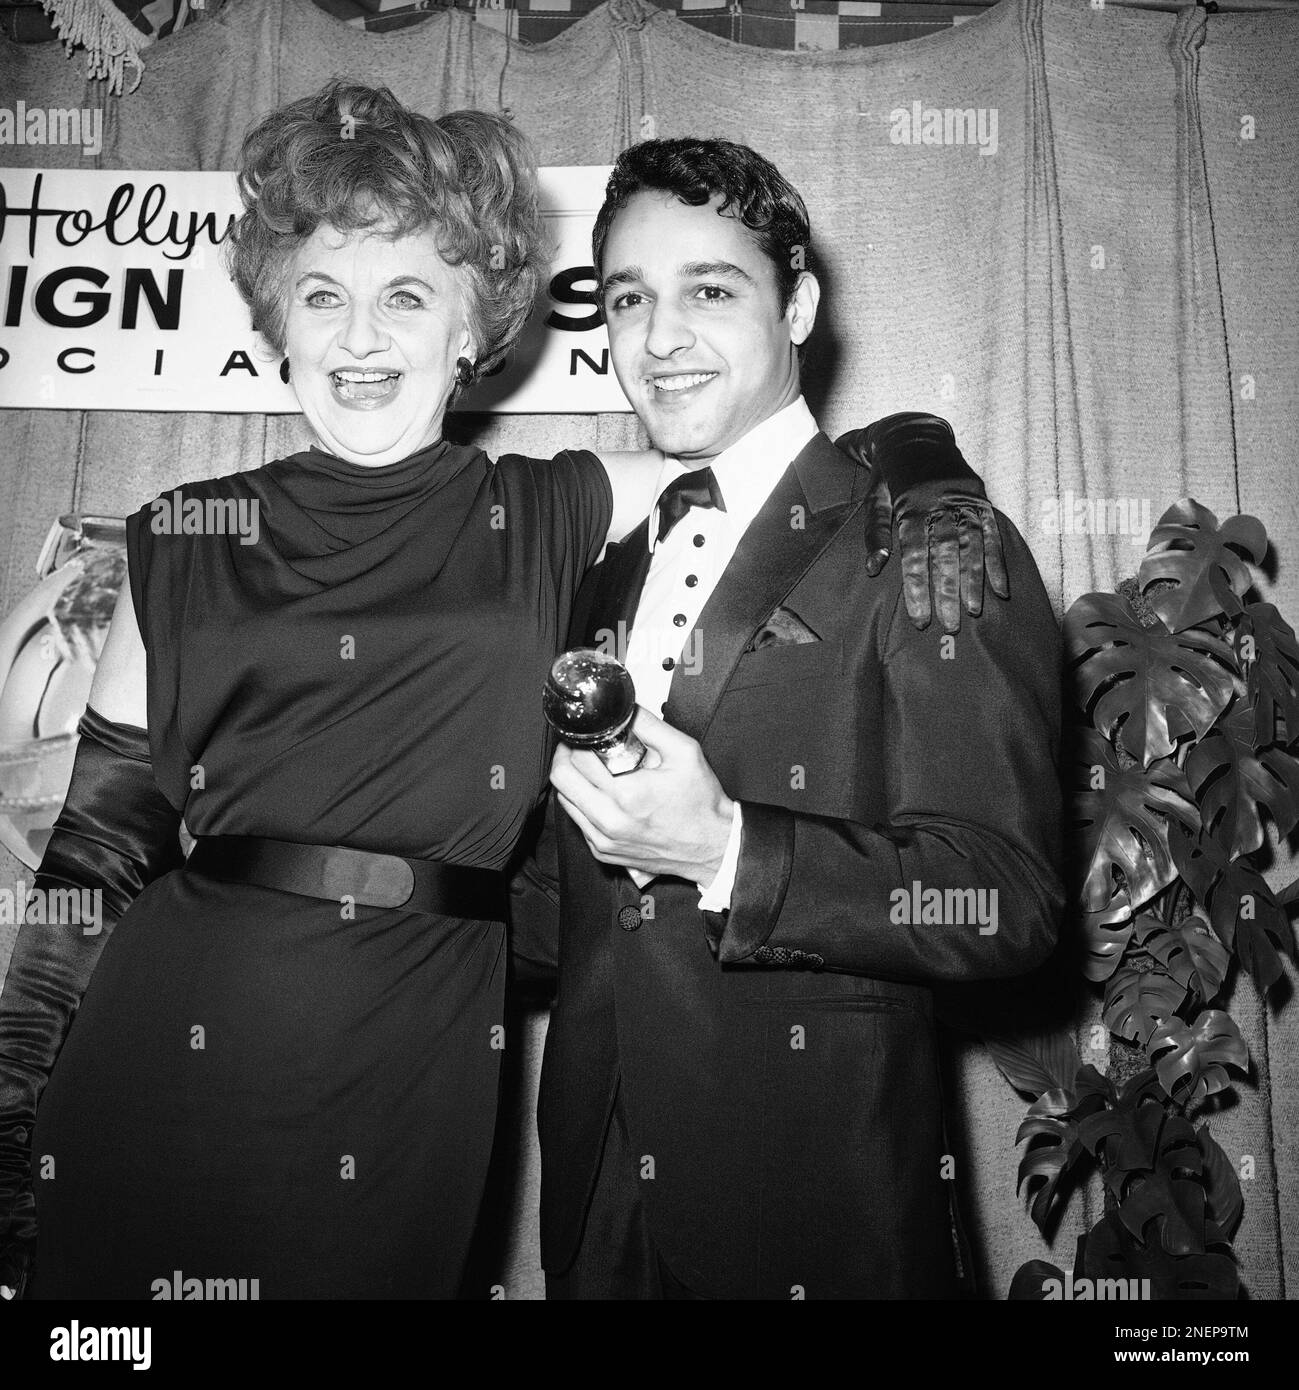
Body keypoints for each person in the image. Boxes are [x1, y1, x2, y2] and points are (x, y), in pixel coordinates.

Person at [0, 84, 992, 1300]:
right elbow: (91, 863)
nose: (360, 337)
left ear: (473, 327)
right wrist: (7, 1137)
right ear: (278, 322)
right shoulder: (180, 537)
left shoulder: (550, 509)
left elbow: (773, 458)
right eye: (324, 295)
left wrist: (936, 476)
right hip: (170, 1040)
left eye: (405, 295)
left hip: (414, 1068)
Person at [534, 138, 1067, 1299]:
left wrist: (729, 850)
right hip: (597, 1197)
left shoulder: (925, 541)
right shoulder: (605, 565)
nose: (660, 336)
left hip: (822, 1204)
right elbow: (572, 906)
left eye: (710, 291)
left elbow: (1003, 897)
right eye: (629, 299)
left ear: (800, 305)